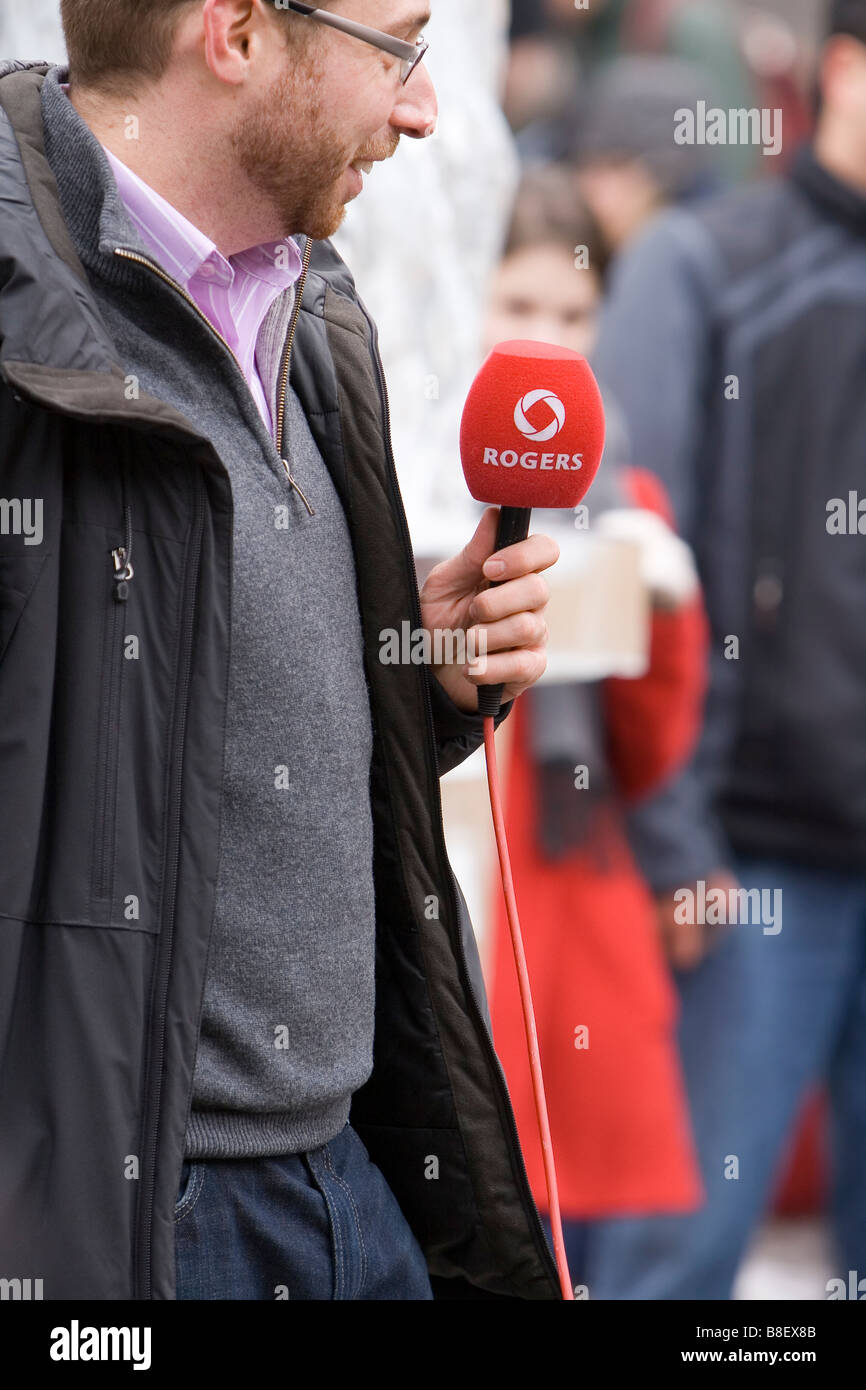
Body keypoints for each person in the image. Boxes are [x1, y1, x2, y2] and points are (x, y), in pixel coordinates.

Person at [0, 0, 564, 1301]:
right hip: (128, 1226)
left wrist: (414, 674)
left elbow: (195, 730)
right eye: (398, 43)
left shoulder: (313, 309)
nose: (422, 105)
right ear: (237, 32)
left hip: (360, 1180)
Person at [581, 0, 866, 1299]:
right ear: (843, 71)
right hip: (750, 864)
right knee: (671, 1260)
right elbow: (631, 567)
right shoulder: (702, 265)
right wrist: (674, 841)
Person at [481, 179, 707, 1284]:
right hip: (465, 901)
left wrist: (662, 614)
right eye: (517, 305)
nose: (544, 340)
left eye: (572, 315)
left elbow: (650, 751)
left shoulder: (622, 496)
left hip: (575, 917)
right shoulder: (409, 473)